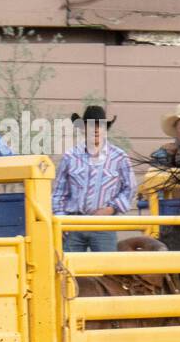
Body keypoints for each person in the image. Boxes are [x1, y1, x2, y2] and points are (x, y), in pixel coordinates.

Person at [52, 105, 136, 253]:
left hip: (104, 225)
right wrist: (61, 222)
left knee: (108, 271)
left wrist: (110, 209)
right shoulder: (70, 157)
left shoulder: (119, 157)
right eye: (91, 125)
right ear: (84, 128)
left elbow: (130, 188)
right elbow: (59, 193)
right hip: (73, 224)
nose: (96, 129)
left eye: (100, 125)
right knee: (69, 271)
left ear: (105, 129)